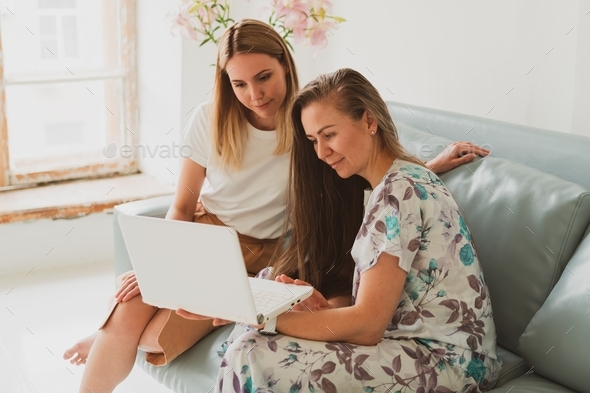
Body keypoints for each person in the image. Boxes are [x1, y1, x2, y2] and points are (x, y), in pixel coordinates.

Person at [63, 19, 488, 393]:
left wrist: (429, 166)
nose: (254, 94)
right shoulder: (219, 120)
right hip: (212, 234)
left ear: (286, 64)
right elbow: (183, 206)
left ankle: (110, 334)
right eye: (239, 84)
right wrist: (160, 267)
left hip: (277, 254)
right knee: (132, 311)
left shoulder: (319, 132)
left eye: (263, 77)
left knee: (199, 339)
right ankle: (108, 333)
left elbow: (379, 181)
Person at [200, 68, 503, 392]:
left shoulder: (398, 193)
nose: (320, 152)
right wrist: (312, 310)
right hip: (414, 346)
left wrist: (266, 317)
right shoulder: (395, 185)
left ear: (369, 121)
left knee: (253, 352)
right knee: (265, 301)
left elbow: (368, 326)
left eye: (329, 135)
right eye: (313, 140)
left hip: (448, 361)